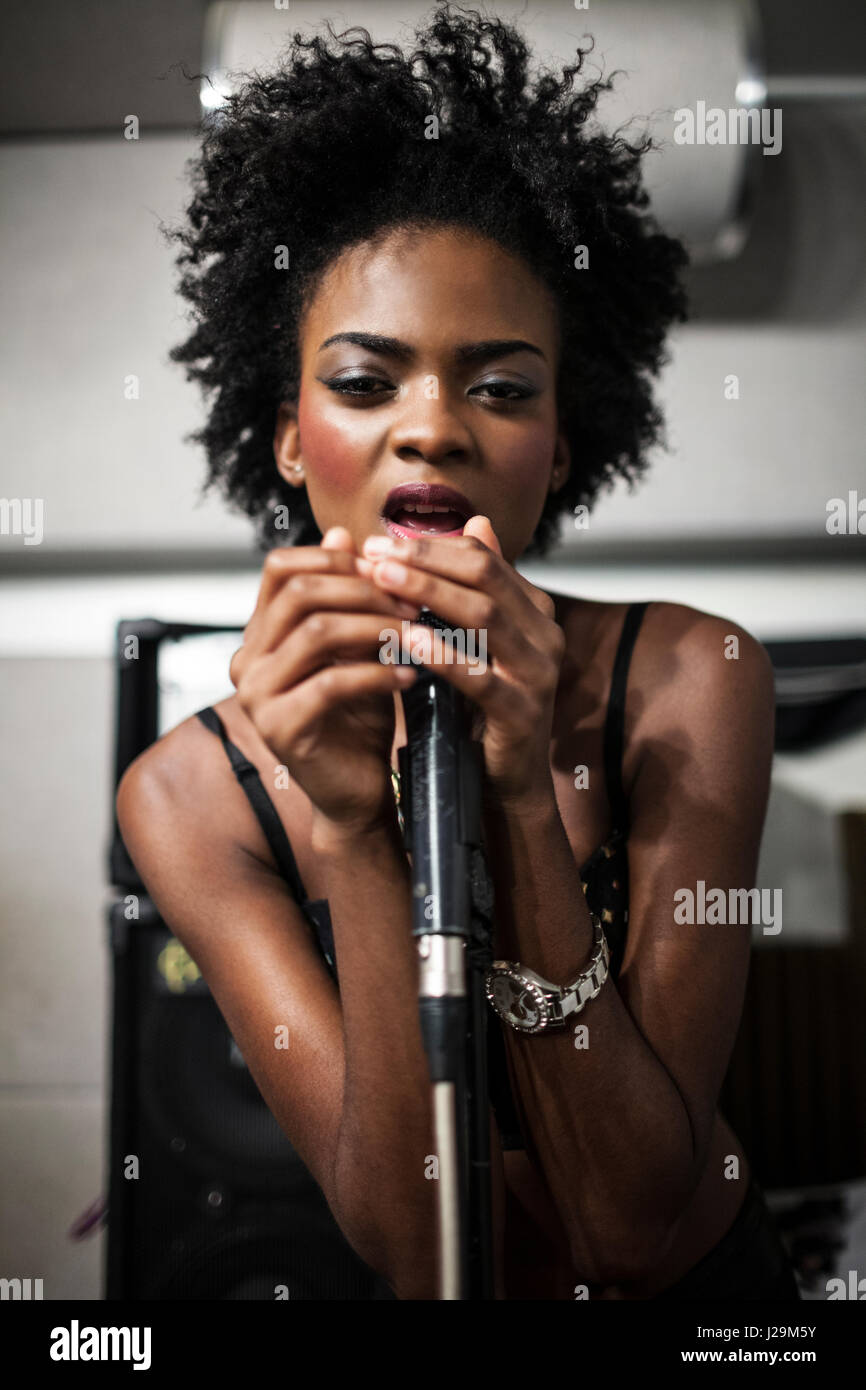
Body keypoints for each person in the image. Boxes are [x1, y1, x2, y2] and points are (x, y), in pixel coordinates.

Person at [116, 4, 800, 1300]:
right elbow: (416, 1247)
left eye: (498, 387)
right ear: (282, 432)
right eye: (366, 382)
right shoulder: (189, 798)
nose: (429, 429)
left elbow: (635, 1227)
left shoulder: (686, 682)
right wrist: (350, 826)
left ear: (562, 435)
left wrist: (520, 794)